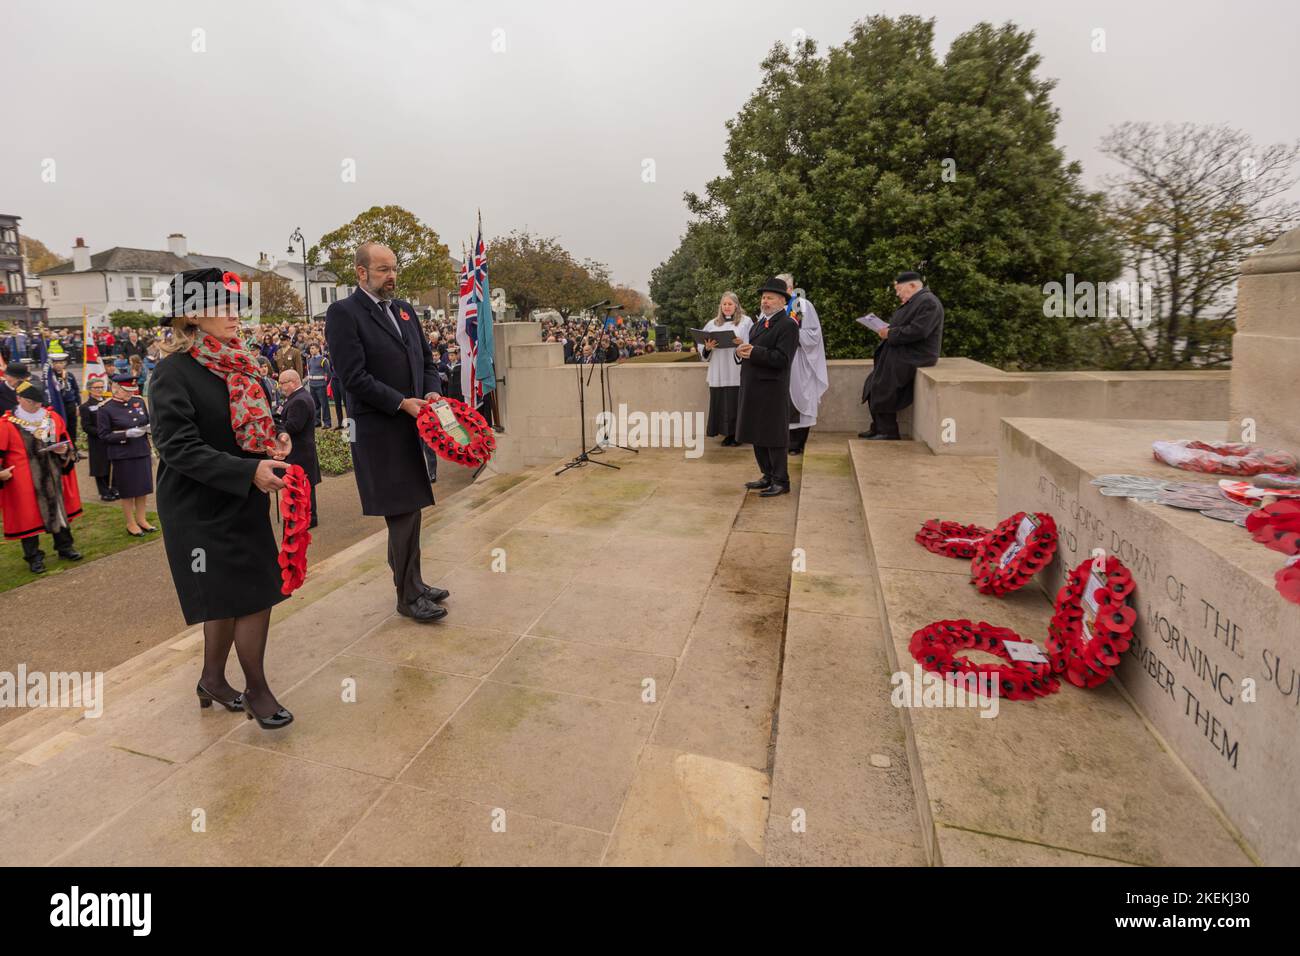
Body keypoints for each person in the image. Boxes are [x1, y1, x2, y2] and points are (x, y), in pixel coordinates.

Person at [150, 268, 295, 729]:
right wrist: (248, 469)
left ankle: (212, 679)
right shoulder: (173, 372)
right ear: (191, 315)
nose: (235, 314)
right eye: (222, 305)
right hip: (198, 507)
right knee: (243, 595)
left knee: (242, 593)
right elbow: (177, 447)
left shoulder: (240, 359)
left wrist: (275, 442)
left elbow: (249, 425)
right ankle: (257, 690)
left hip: (241, 493)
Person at [324, 242, 449, 623]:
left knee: (411, 509)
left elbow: (427, 361)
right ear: (361, 273)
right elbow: (353, 377)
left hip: (411, 424)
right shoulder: (344, 313)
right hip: (379, 428)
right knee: (402, 511)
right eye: (382, 269)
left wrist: (430, 391)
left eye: (394, 268)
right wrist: (401, 402)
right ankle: (407, 597)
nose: (391, 276)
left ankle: (414, 581)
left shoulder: (405, 311)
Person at [0, 380, 83, 573]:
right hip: (24, 478)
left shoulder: (51, 417)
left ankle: (65, 547)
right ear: (19, 398)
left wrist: (64, 451)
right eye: (31, 401)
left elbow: (65, 441)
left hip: (53, 473)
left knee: (58, 510)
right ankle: (33, 557)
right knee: (27, 516)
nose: (36, 405)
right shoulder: (6, 424)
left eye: (39, 401)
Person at [860, 271, 945, 440]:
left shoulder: (928, 302)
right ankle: (878, 427)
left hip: (916, 355)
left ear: (912, 286)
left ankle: (888, 431)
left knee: (884, 384)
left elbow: (919, 331)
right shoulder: (915, 301)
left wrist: (889, 334)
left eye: (899, 290)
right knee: (873, 382)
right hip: (903, 352)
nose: (898, 294)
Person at [736, 277, 799, 497]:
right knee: (757, 432)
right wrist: (742, 352)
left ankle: (781, 480)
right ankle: (767, 475)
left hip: (772, 389)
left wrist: (754, 352)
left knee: (773, 435)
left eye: (770, 297)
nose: (765, 301)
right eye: (763, 297)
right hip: (754, 387)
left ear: (782, 300)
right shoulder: (758, 324)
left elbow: (783, 359)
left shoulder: (788, 325)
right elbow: (753, 350)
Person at [98, 372, 157, 536]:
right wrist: (126, 434)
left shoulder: (137, 402)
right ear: (115, 388)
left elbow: (145, 421)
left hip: (141, 450)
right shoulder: (106, 409)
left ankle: (142, 519)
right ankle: (131, 523)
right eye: (127, 390)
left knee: (143, 488)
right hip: (123, 454)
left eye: (132, 390)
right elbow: (103, 435)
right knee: (128, 490)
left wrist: (150, 428)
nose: (131, 393)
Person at [779, 273, 828, 456]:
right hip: (780, 360)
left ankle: (796, 443)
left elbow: (813, 334)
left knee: (798, 399)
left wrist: (790, 336)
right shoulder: (775, 307)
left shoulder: (800, 306)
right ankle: (783, 441)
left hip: (798, 360)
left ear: (790, 289)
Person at [697, 291, 752, 447]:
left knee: (736, 403)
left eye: (730, 304)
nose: (727, 307)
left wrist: (742, 342)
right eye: (724, 304)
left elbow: (754, 342)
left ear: (736, 305)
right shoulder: (712, 324)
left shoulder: (745, 322)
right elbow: (702, 348)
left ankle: (738, 435)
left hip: (736, 370)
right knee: (721, 405)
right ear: (720, 306)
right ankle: (726, 434)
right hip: (718, 370)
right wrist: (707, 347)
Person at [277, 370, 321, 528]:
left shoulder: (299, 400)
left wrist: (277, 428)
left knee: (303, 487)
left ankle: (308, 519)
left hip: (299, 452)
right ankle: (308, 517)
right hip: (302, 450)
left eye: (282, 383)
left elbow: (294, 426)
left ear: (293, 382)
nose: (280, 386)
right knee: (304, 487)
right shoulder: (297, 397)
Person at [80, 375, 119, 501]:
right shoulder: (85, 407)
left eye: (101, 387)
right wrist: (102, 433)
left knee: (115, 464)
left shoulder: (108, 402)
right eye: (96, 387)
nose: (99, 389)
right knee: (100, 466)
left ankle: (115, 488)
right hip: (97, 440)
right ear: (89, 389)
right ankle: (104, 491)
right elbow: (86, 426)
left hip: (112, 438)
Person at [304, 343, 331, 427]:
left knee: (324, 405)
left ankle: (327, 422)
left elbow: (328, 373)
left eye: (313, 348)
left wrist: (325, 384)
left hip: (321, 385)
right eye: (310, 349)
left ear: (318, 349)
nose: (311, 350)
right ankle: (317, 421)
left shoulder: (323, 360)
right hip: (312, 385)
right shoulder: (310, 360)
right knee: (315, 405)